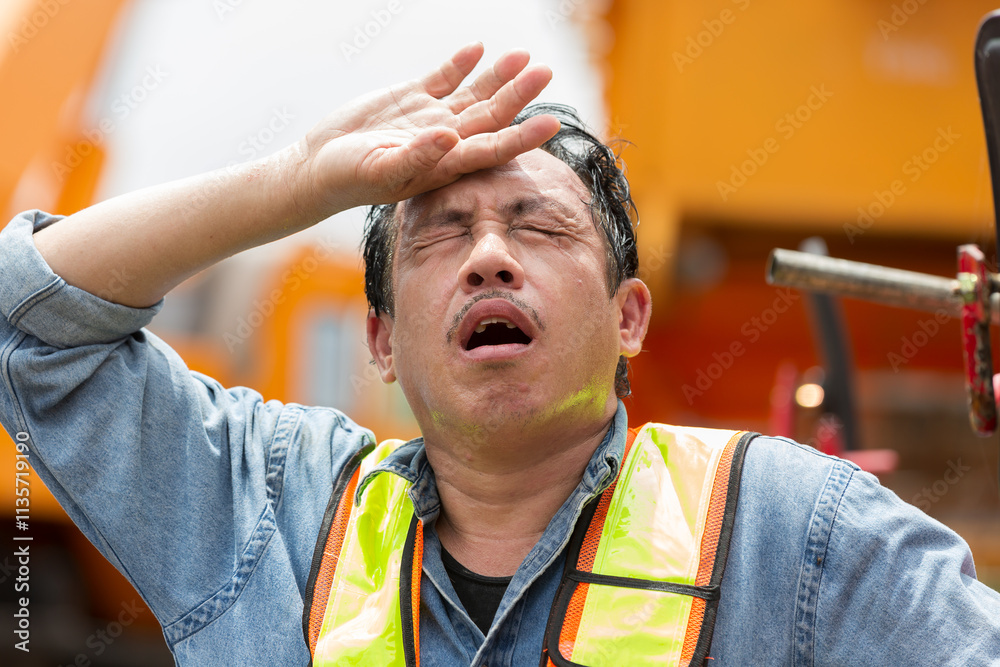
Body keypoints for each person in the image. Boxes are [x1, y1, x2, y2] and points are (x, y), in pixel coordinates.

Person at [2, 42, 999, 666]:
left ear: (630, 320)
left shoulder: (794, 533)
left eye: (541, 228)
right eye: (441, 235)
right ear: (382, 340)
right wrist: (299, 180)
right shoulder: (268, 509)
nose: (488, 256)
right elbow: (27, 323)